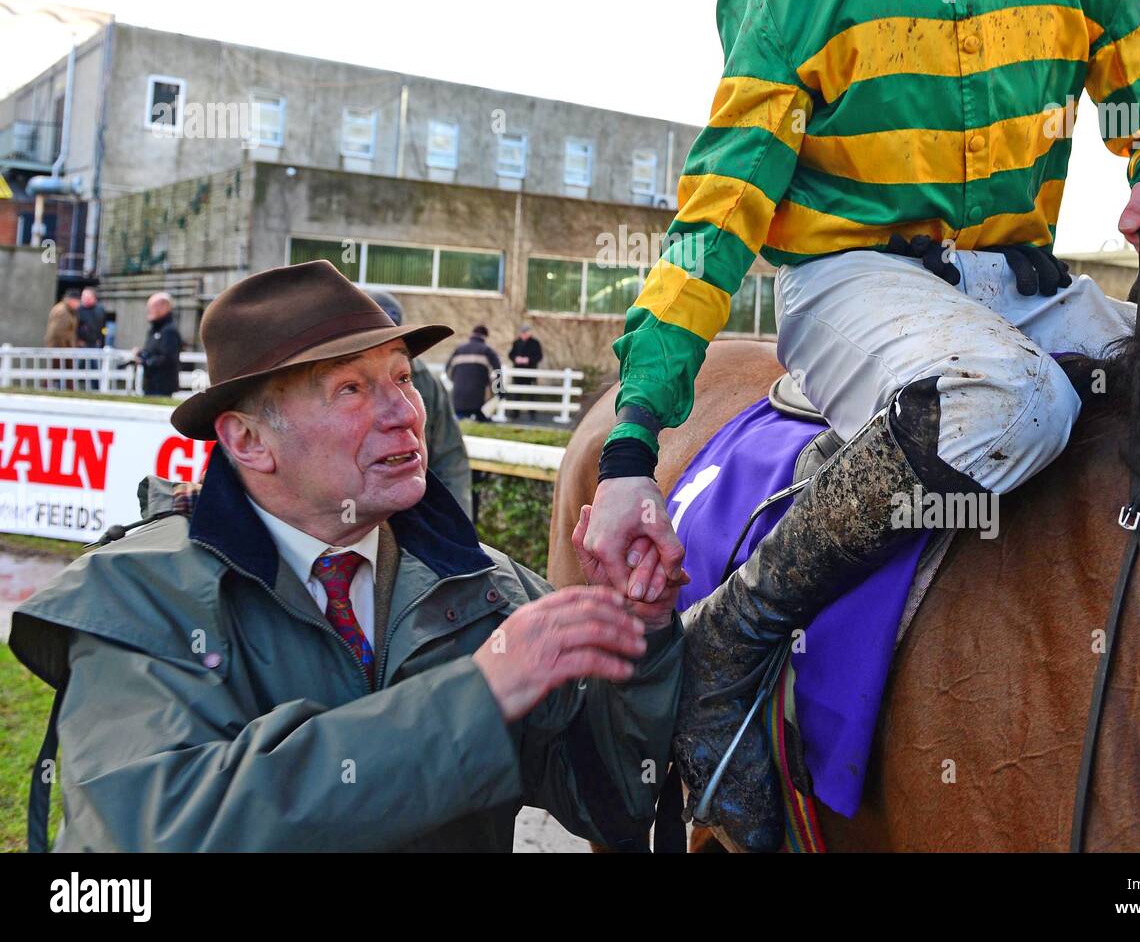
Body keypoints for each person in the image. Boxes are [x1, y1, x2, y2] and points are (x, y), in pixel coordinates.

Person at [580, 0, 1140, 850]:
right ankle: (737, 632)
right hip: (851, 286)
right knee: (1012, 404)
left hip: (1027, 286)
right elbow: (716, 219)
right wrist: (629, 442)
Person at [10, 261, 684, 852]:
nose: (404, 412)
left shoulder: (481, 584)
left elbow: (615, 802)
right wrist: (474, 699)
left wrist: (643, 633)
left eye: (402, 375)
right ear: (247, 440)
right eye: (352, 390)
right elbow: (160, 832)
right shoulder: (138, 591)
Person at [369, 289, 474, 516]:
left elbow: (450, 457)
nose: (406, 414)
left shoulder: (426, 380)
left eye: (403, 378)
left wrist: (456, 526)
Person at [447, 324, 501, 422]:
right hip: (479, 400)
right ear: (485, 336)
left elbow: (447, 371)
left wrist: (457, 382)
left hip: (458, 398)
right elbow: (498, 372)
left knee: (459, 423)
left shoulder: (459, 350)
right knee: (481, 420)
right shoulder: (487, 350)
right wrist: (499, 391)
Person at [133, 291, 181, 397]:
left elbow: (168, 358)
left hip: (161, 386)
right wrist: (141, 354)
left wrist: (146, 361)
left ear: (164, 307)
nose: (149, 311)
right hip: (150, 384)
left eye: (152, 307)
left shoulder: (169, 331)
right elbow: (152, 351)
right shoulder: (154, 330)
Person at [43, 291, 79, 391]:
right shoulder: (63, 311)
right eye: (77, 301)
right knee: (59, 371)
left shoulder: (65, 309)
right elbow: (59, 333)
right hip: (60, 347)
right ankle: (68, 391)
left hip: (60, 347)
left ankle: (51, 388)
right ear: (72, 300)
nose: (78, 304)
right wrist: (65, 349)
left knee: (56, 371)